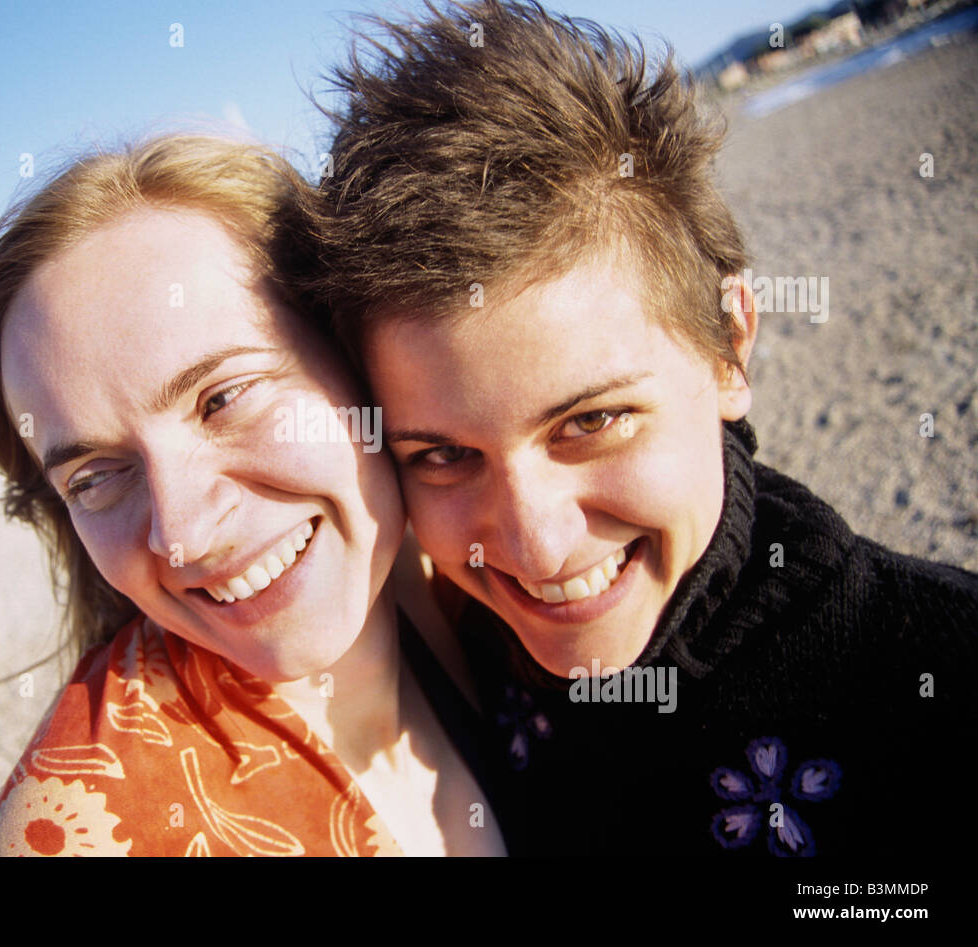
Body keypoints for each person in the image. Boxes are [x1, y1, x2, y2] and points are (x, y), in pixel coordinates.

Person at [293, 0, 978, 855]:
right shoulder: (462, 650)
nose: (537, 548)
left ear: (730, 346)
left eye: (594, 419)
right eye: (442, 455)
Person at [0, 135, 506, 856]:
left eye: (224, 398)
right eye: (93, 476)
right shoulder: (91, 829)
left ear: (353, 351)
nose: (182, 534)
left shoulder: (499, 580)